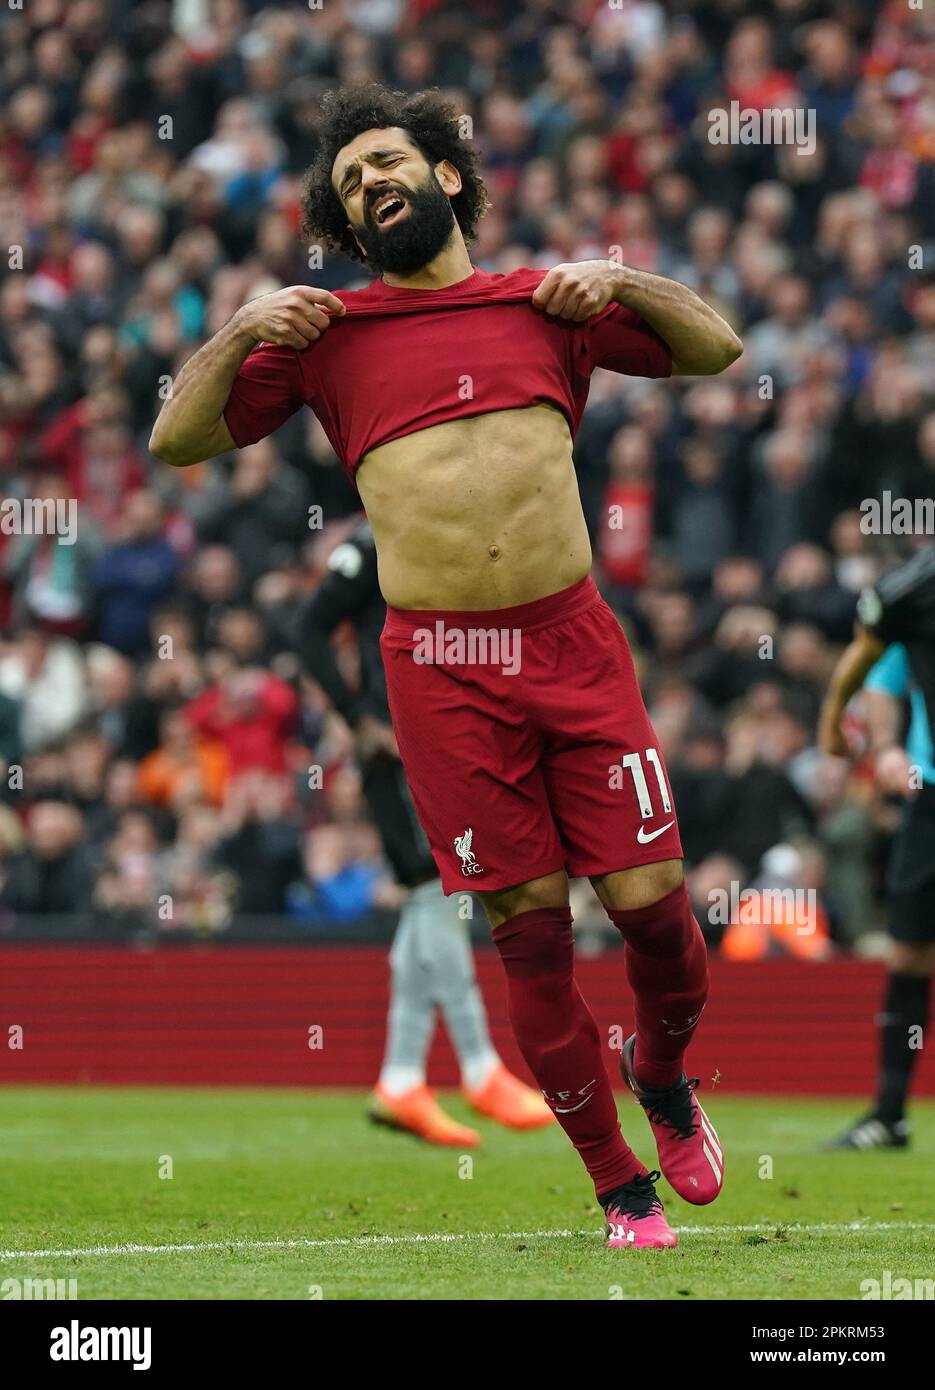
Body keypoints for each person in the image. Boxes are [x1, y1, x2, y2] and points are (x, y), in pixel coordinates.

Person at [150, 85, 742, 1250]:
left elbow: (715, 348)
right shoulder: (330, 338)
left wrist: (618, 279)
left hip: (571, 646)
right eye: (353, 182)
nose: (373, 185)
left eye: (388, 164)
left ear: (449, 179)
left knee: (660, 925)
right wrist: (238, 329)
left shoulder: (544, 302)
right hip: (441, 671)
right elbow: (178, 440)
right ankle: (620, 1188)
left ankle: (660, 1074)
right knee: (527, 933)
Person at [299, 517, 553, 1145]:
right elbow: (304, 629)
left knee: (429, 902)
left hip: (453, 741)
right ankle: (479, 1065)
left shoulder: (460, 537)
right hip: (399, 748)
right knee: (445, 891)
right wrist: (359, 718)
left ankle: (402, 1079)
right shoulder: (371, 542)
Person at [818, 544, 935, 1149]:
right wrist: (887, 747)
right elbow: (885, 675)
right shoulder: (918, 592)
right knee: (910, 952)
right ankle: (889, 1112)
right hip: (931, 796)